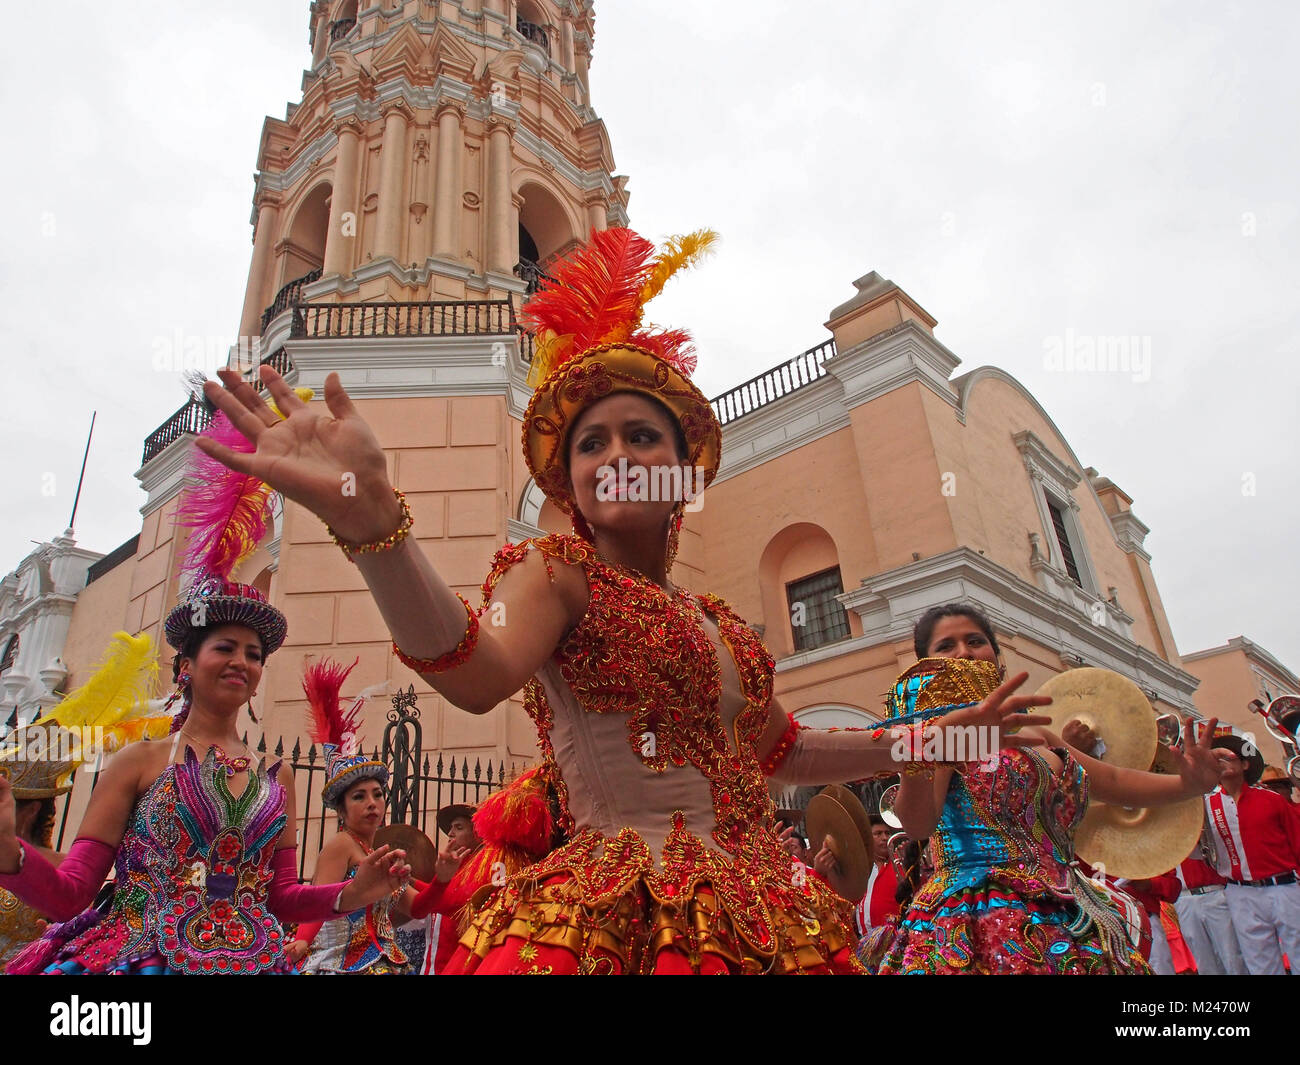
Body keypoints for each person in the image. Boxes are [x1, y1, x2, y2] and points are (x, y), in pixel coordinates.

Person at [195, 227, 1051, 975]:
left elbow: (785, 751)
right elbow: (474, 668)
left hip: (763, 915)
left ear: (684, 471)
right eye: (591, 443)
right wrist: (375, 526)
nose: (615, 454)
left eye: (642, 435)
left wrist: (930, 738)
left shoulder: (718, 623)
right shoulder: (556, 573)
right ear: (569, 479)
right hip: (607, 919)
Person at [0, 413, 410, 974]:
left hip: (255, 961)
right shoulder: (137, 763)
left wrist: (351, 894)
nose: (242, 661)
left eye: (254, 654)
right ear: (186, 666)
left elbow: (281, 899)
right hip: (143, 960)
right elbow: (71, 893)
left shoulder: (276, 774)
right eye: (226, 647)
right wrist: (10, 855)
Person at [878, 603, 1224, 974]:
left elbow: (1115, 781)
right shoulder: (942, 737)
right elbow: (917, 826)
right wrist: (918, 744)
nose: (964, 652)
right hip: (977, 917)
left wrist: (1190, 783)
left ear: (996, 657)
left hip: (1066, 908)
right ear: (925, 669)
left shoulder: (1036, 733)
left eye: (975, 641)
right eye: (946, 646)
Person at [288, 659, 415, 974]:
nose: (372, 802)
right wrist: (303, 941)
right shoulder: (342, 845)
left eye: (377, 794)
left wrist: (446, 878)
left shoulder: (376, 852)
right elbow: (318, 901)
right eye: (359, 797)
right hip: (343, 964)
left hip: (385, 958)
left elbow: (421, 905)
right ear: (341, 810)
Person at [1205, 732, 1300, 975]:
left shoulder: (1273, 800)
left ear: (1245, 764)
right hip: (1240, 892)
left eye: (1228, 758)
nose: (1221, 762)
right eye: (1216, 759)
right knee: (1260, 963)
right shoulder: (1206, 807)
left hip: (1284, 887)